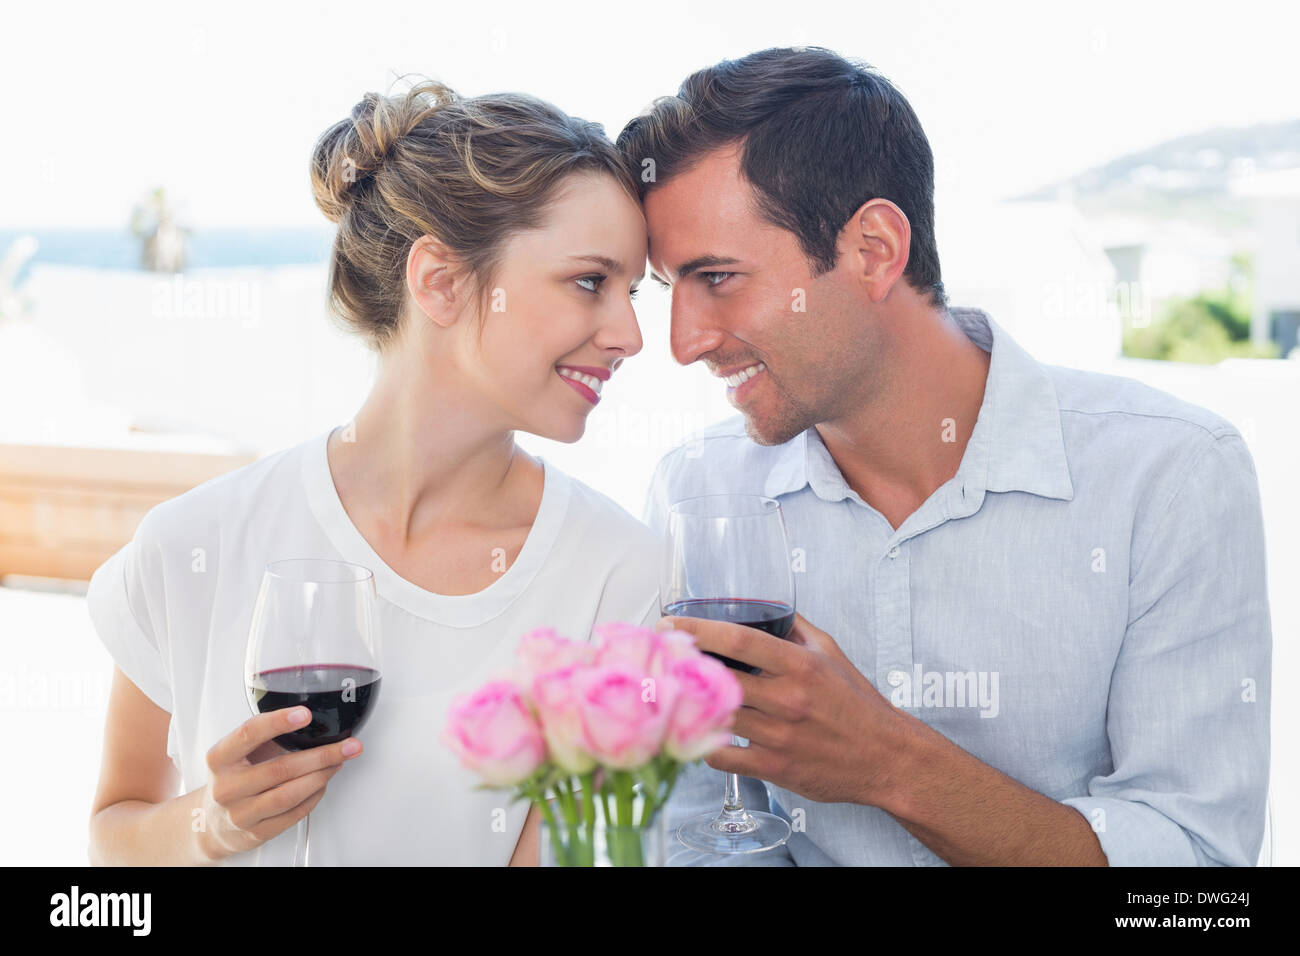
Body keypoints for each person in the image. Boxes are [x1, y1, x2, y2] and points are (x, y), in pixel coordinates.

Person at [617, 46, 1272, 866]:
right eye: (668, 288)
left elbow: (1196, 878)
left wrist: (886, 764)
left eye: (717, 277)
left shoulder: (1171, 476)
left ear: (874, 249)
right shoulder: (699, 488)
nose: (683, 343)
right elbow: (698, 835)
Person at [87, 80, 658, 866]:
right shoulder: (192, 543)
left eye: (634, 292)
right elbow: (113, 839)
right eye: (591, 282)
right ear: (440, 281)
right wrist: (212, 824)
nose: (630, 334)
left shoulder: (619, 580)